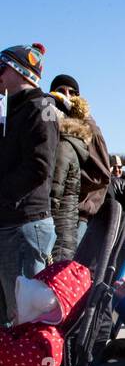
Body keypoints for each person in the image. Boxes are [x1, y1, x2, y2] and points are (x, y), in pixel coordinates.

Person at [0, 42, 57, 326]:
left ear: (18, 71)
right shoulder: (15, 112)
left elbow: (40, 166)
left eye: (1, 68)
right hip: (13, 223)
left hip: (26, 224)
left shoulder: (41, 106)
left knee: (29, 316)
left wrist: (3, 194)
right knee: (15, 313)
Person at [46, 74, 112, 242]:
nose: (66, 95)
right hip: (48, 209)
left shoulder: (88, 126)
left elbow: (101, 174)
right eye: (61, 91)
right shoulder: (47, 121)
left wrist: (69, 181)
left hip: (77, 212)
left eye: (72, 92)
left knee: (65, 264)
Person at [47, 92, 84, 262]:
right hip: (64, 231)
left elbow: (54, 193)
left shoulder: (62, 146)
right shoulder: (67, 143)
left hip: (58, 233)